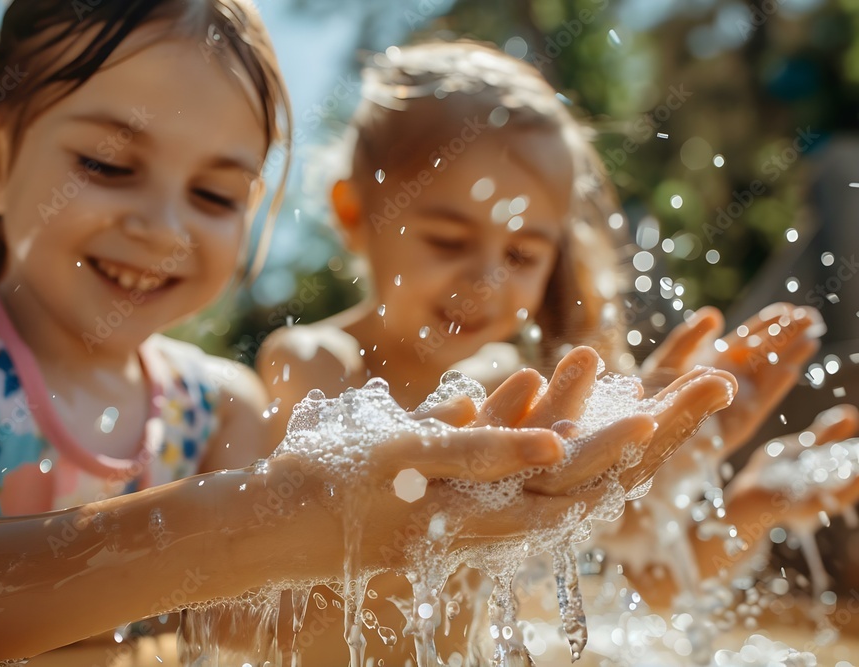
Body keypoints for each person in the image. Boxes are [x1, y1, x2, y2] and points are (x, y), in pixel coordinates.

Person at [0, 5, 738, 665]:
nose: (164, 227)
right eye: (107, 165)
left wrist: (469, 543)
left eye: (214, 194)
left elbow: (274, 637)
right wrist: (267, 520)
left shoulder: (213, 412)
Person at [256, 39, 858, 657]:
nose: (486, 281)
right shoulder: (317, 360)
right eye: (447, 240)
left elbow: (640, 595)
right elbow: (314, 547)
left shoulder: (519, 388)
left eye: (521, 255)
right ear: (356, 211)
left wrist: (726, 489)